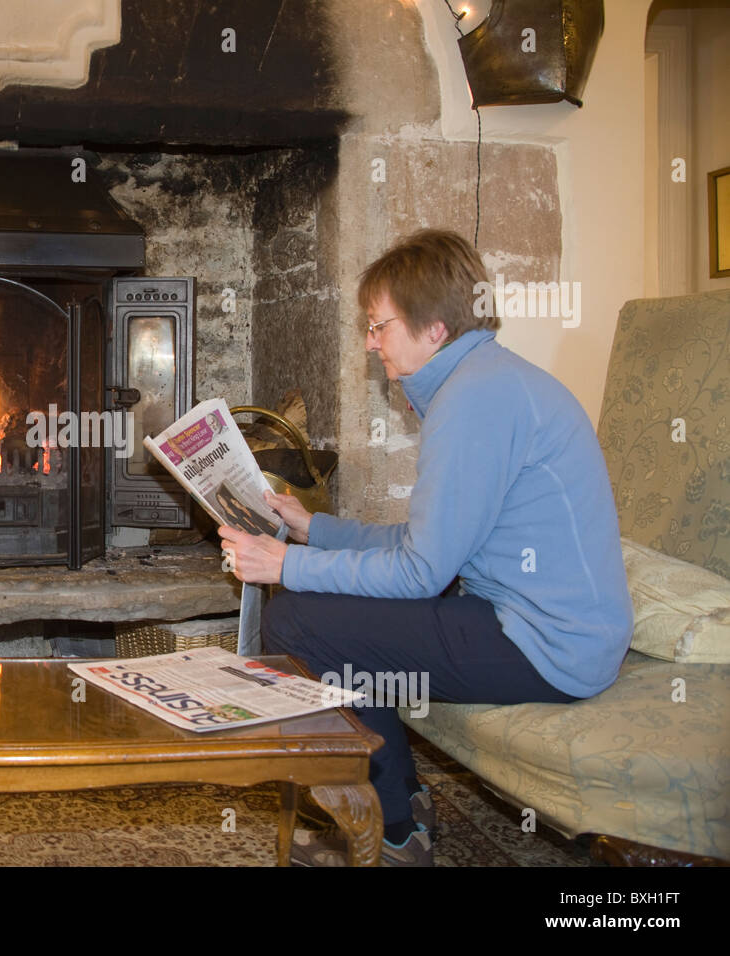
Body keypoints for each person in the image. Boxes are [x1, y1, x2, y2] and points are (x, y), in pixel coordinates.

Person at [218, 229, 633, 866]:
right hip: (530, 619)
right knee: (329, 615)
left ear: (434, 329)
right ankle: (402, 806)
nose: (370, 341)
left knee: (300, 621)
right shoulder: (483, 381)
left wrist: (287, 563)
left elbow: (420, 572)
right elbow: (429, 547)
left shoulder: (475, 402)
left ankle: (390, 828)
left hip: (550, 644)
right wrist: (314, 530)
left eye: (379, 326)